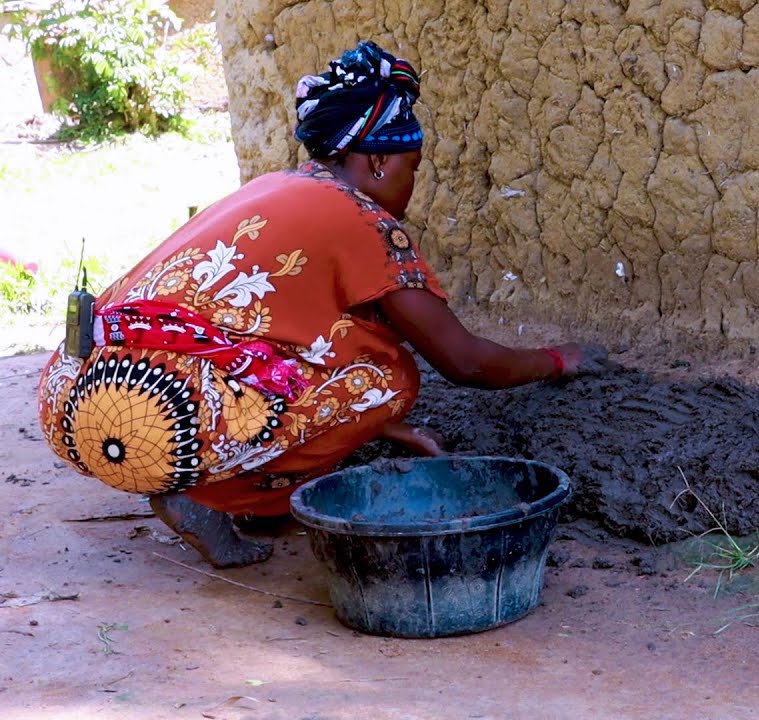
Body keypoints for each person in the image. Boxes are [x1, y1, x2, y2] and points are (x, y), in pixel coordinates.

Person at [35, 41, 606, 569]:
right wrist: (558, 360)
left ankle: (217, 482)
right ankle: (212, 496)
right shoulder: (363, 222)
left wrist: (383, 431)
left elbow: (273, 335)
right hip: (151, 422)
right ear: (379, 162)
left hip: (72, 394)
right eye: (413, 169)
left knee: (355, 359)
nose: (411, 186)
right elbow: (464, 362)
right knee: (388, 375)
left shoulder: (275, 187)